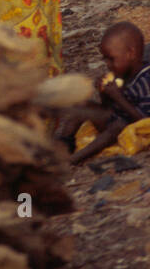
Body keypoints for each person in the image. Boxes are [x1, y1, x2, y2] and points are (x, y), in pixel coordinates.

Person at [63, 21, 150, 165]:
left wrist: (118, 97)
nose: (107, 64)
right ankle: (64, 143)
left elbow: (143, 120)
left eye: (111, 58)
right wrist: (105, 94)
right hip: (114, 121)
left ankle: (74, 159)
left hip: (132, 129)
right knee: (82, 105)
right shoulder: (121, 74)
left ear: (131, 53)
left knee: (119, 125)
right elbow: (110, 107)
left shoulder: (146, 79)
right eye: (105, 58)